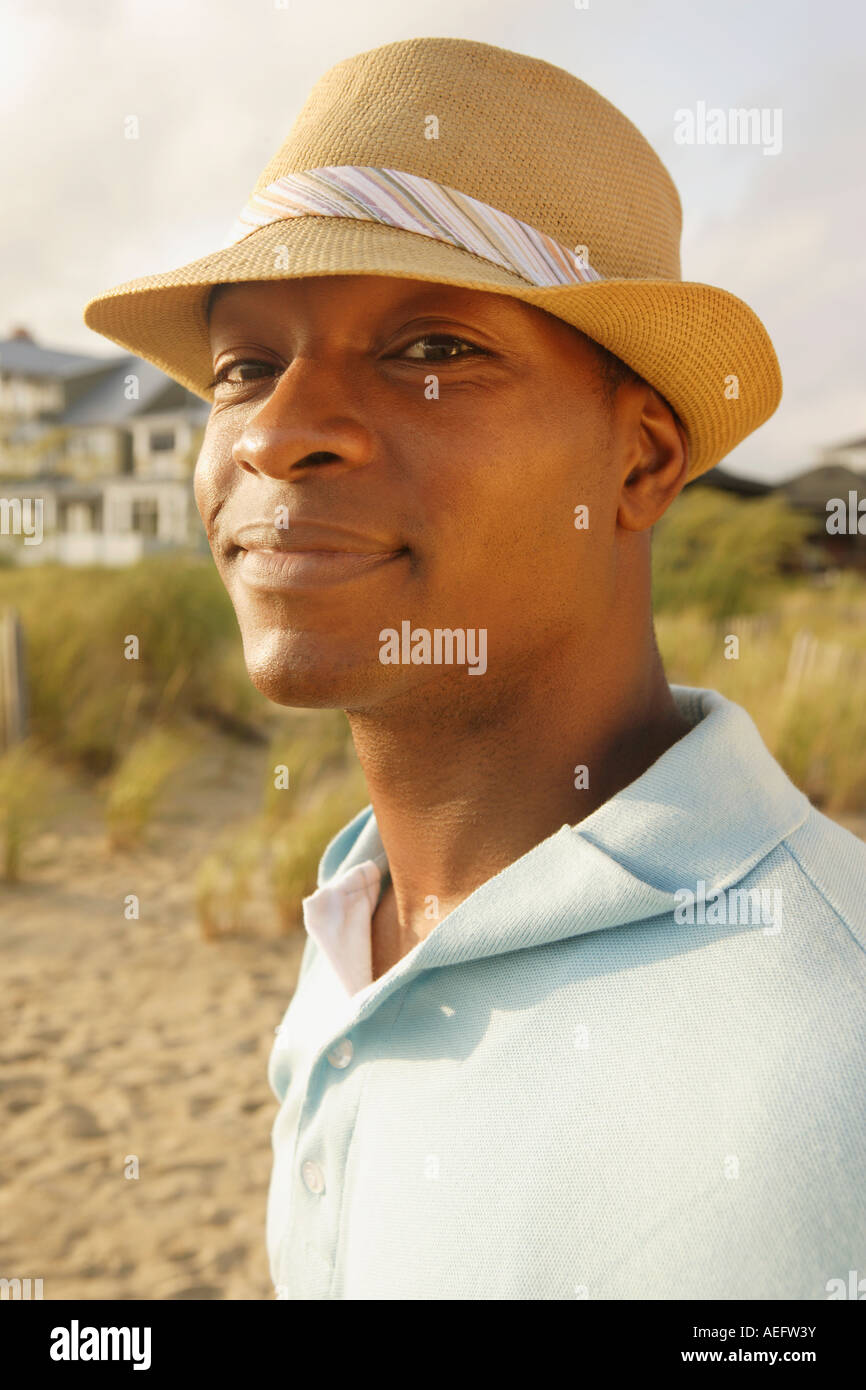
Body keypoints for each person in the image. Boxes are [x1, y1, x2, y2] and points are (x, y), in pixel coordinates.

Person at [84, 35, 866, 1301]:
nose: (281, 432)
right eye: (245, 368)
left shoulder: (825, 1063)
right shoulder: (358, 919)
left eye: (433, 351)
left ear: (641, 462)